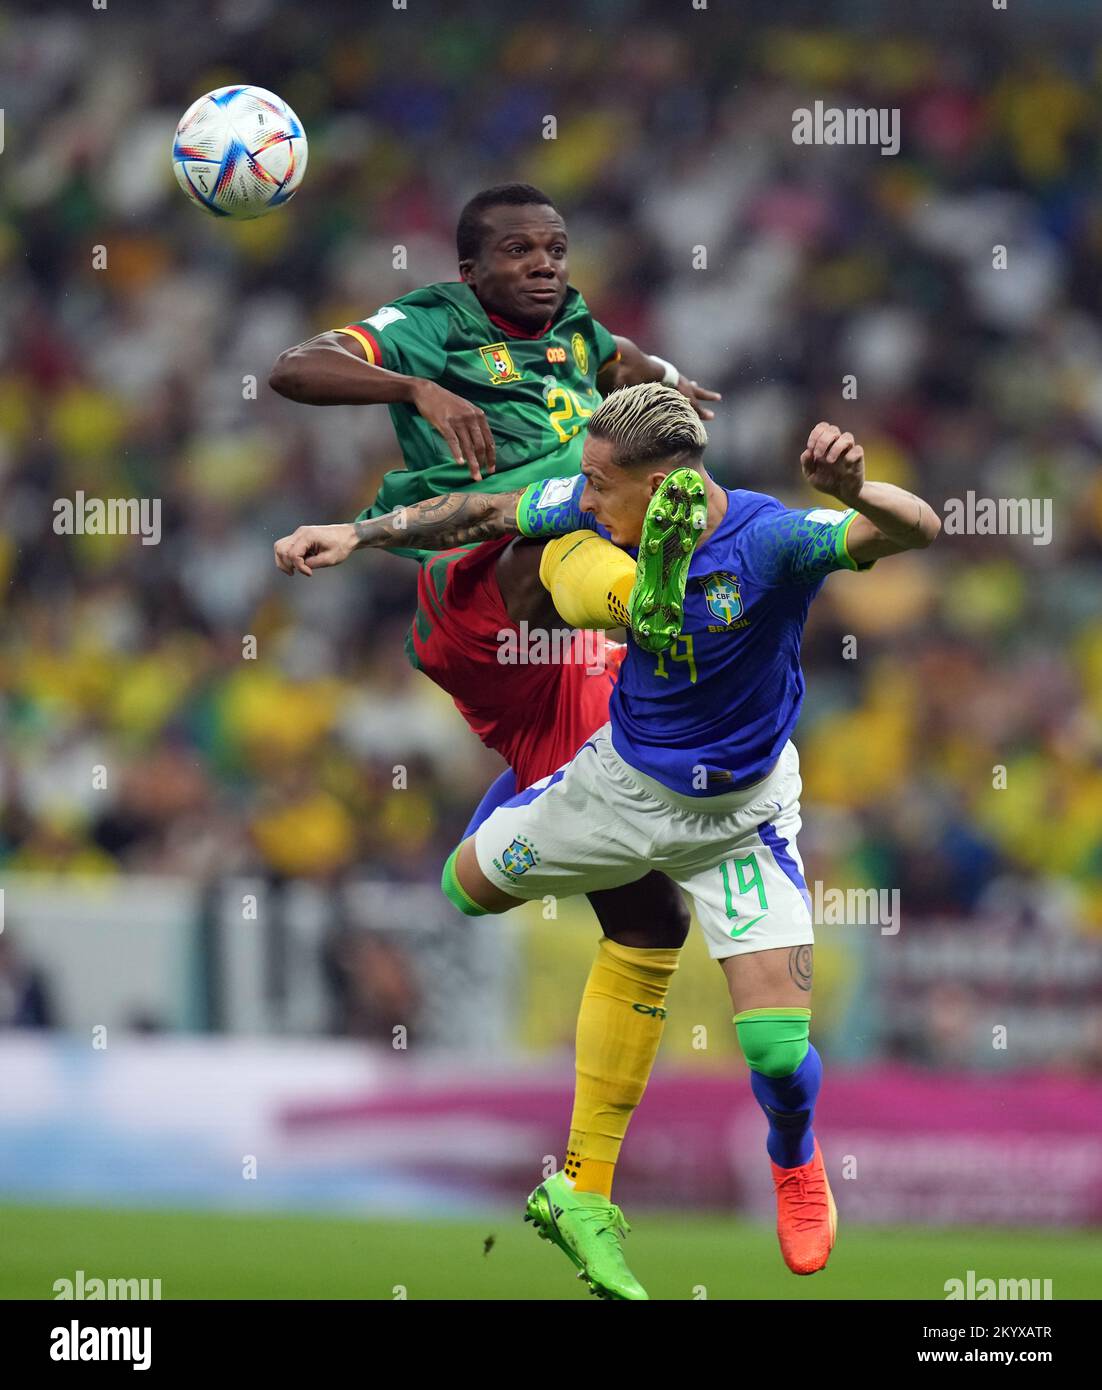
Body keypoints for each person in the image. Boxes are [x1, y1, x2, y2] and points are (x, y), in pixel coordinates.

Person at [277, 384, 942, 1299]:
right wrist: (358, 536)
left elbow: (918, 528)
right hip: (617, 787)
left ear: (665, 482)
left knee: (779, 1055)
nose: (583, 493)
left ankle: (796, 1163)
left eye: (598, 483)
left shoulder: (773, 539)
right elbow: (476, 511)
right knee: (464, 887)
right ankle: (627, 627)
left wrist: (858, 489)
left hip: (738, 822)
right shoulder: (593, 504)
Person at [271, 186, 720, 1296]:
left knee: (651, 915)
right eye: (518, 249)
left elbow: (615, 360)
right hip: (479, 585)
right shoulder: (430, 322)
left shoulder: (576, 331)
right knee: (581, 507)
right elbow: (293, 366)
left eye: (558, 247)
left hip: (562, 632)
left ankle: (582, 1186)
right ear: (469, 268)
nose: (543, 264)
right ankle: (647, 594)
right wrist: (413, 382)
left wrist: (659, 379)